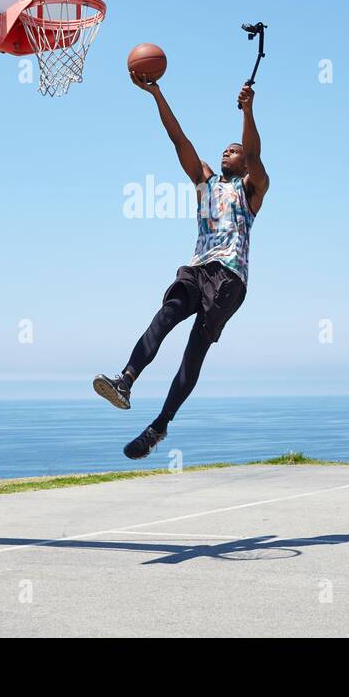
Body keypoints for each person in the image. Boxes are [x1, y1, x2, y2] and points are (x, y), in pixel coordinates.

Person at [94, 73, 269, 458]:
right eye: (225, 149)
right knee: (166, 315)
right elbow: (180, 140)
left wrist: (248, 109)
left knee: (194, 354)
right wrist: (157, 93)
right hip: (196, 268)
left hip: (228, 278)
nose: (228, 151)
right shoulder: (205, 182)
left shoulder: (251, 190)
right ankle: (125, 379)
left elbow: (255, 157)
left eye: (234, 150)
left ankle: (160, 426)